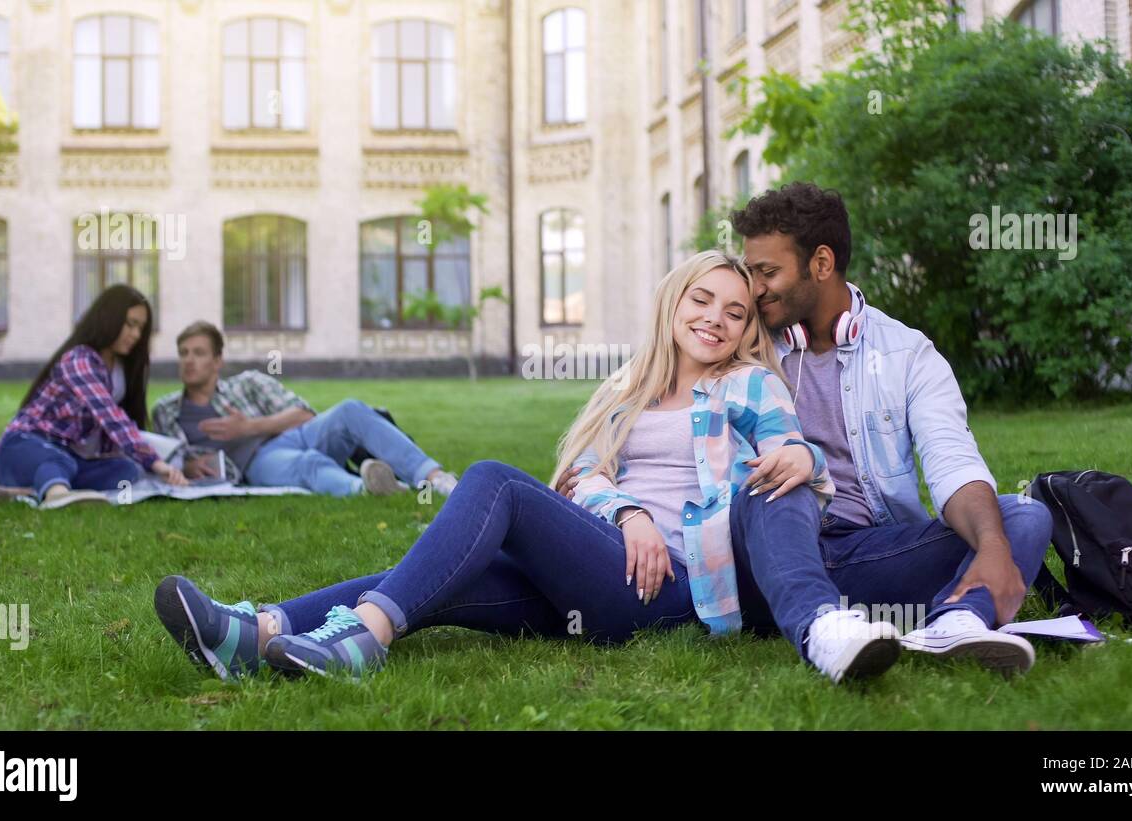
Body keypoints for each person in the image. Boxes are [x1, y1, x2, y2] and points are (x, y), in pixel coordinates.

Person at [154, 250, 907, 686]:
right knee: (449, 578)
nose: (715, 318)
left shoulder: (747, 383)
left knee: (490, 483)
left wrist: (798, 451)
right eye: (701, 299)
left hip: (667, 585)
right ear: (673, 304)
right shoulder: (627, 387)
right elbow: (580, 476)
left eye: (735, 311)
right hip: (605, 556)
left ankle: (366, 641)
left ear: (747, 328)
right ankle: (257, 633)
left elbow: (787, 446)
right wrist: (629, 511)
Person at [721, 182, 1053, 670]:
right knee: (781, 479)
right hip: (769, 547)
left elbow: (952, 461)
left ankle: (956, 622)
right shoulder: (742, 337)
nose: (754, 289)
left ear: (822, 263)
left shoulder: (907, 354)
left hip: (868, 553)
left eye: (767, 272)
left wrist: (995, 546)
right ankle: (820, 628)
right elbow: (660, 388)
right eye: (751, 274)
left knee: (1022, 516)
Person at [149, 320, 457, 497]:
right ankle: (372, 489)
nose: (189, 360)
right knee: (308, 462)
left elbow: (303, 413)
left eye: (198, 353)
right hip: (254, 462)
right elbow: (165, 458)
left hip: (293, 435)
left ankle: (435, 477)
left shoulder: (248, 383)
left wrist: (247, 428)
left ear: (217, 360)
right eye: (183, 353)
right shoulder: (166, 410)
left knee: (350, 409)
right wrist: (186, 469)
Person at [0, 284, 186, 510]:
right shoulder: (79, 359)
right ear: (109, 318)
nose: (135, 334)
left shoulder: (124, 368)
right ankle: (56, 494)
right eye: (130, 324)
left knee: (125, 470)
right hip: (26, 444)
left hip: (73, 456)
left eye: (141, 328)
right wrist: (155, 462)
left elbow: (118, 429)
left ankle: (34, 489)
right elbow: (110, 416)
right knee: (56, 460)